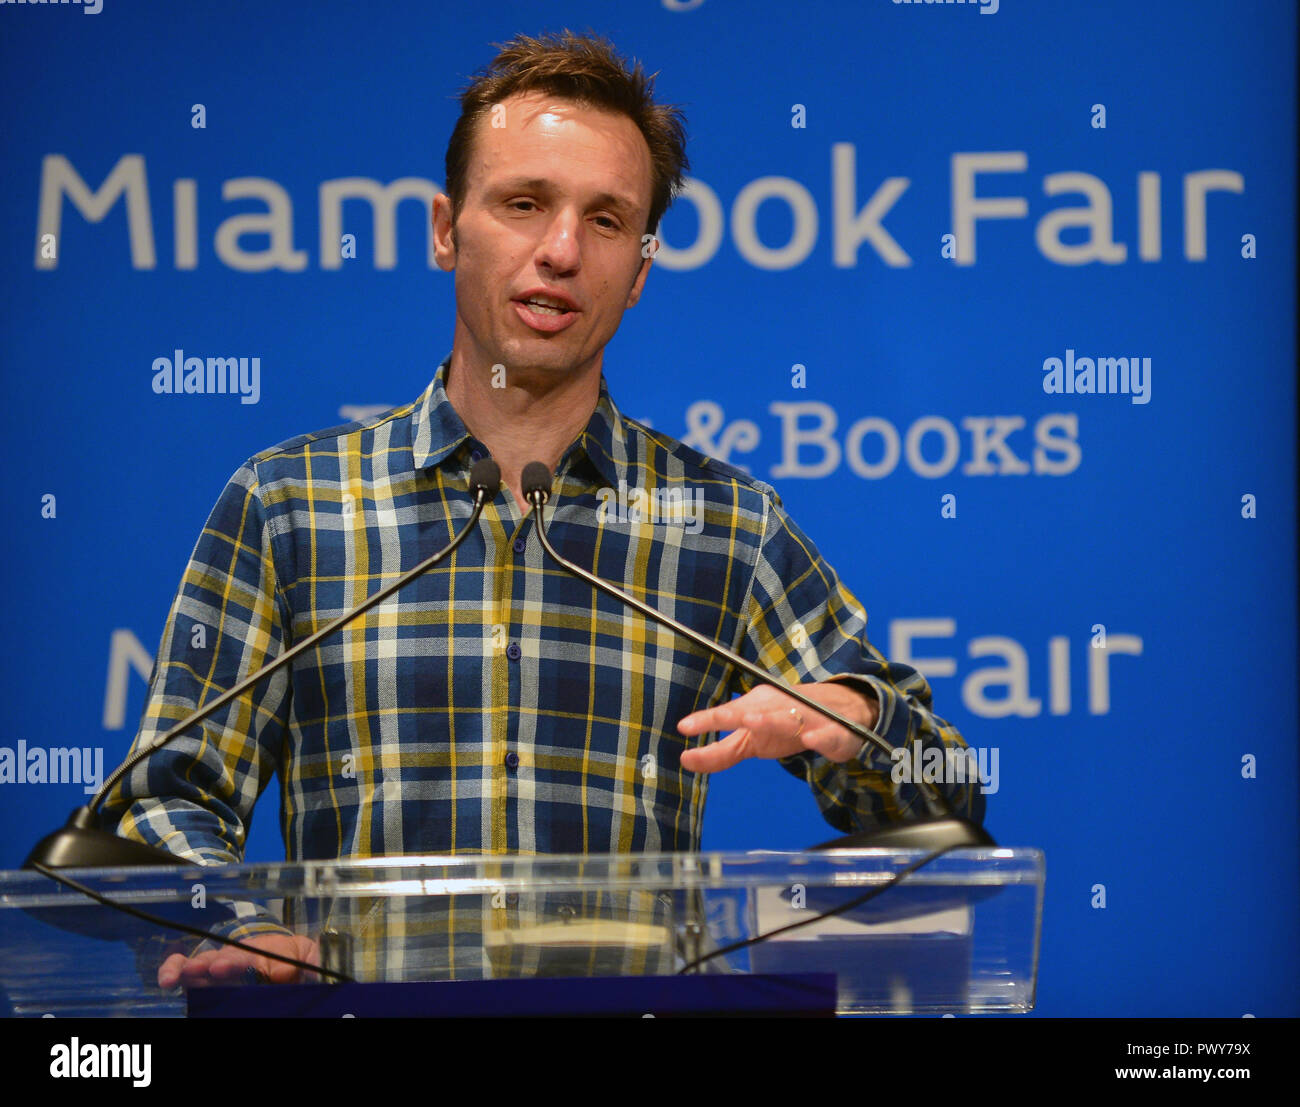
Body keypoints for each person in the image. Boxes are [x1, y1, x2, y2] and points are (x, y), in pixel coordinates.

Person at [103, 30, 986, 989]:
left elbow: (948, 799)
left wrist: (855, 718)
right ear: (446, 229)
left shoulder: (725, 524)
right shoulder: (288, 507)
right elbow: (160, 803)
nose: (562, 250)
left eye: (607, 221)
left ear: (641, 268)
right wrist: (233, 926)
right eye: (525, 204)